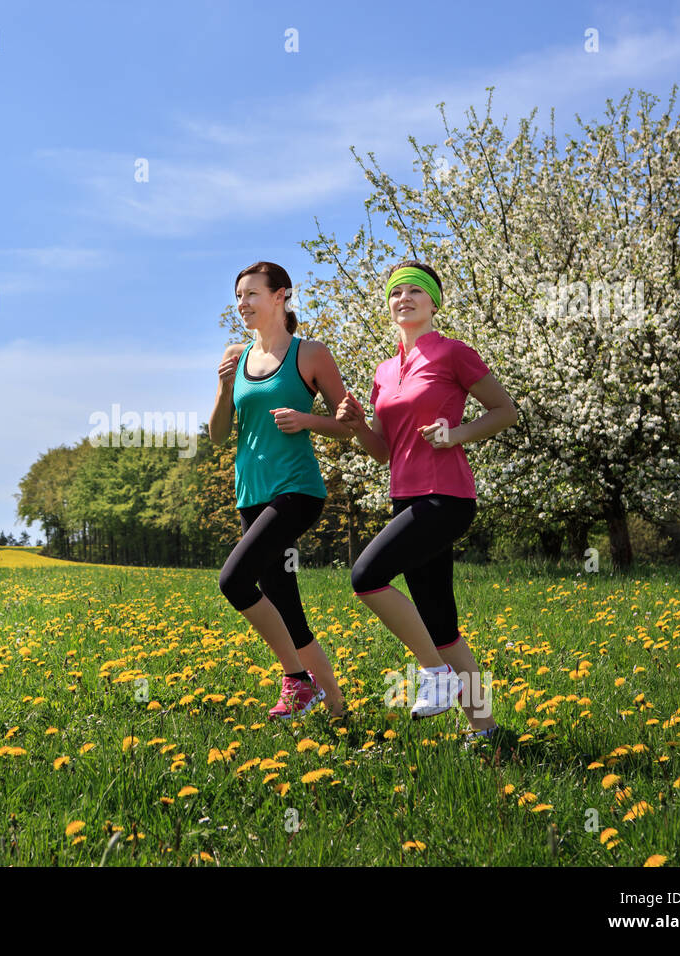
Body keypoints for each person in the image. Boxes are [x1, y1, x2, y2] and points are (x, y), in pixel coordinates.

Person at [336, 260, 518, 743]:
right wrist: (356, 425)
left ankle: (434, 674)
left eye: (415, 291)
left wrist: (455, 434)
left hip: (447, 497)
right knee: (441, 622)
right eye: (396, 293)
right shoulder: (384, 370)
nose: (404, 299)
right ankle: (487, 731)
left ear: (434, 302)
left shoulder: (453, 354)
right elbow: (382, 451)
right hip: (406, 498)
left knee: (366, 576)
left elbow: (505, 411)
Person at [210, 261, 355, 721]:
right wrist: (223, 386)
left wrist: (307, 420)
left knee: (233, 580)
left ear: (281, 296)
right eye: (238, 296)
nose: (242, 304)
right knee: (286, 605)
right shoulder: (236, 354)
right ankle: (337, 709)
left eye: (252, 294)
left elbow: (348, 425)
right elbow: (218, 434)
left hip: (297, 490)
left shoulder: (310, 354)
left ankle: (295, 680)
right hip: (250, 493)